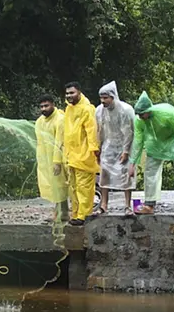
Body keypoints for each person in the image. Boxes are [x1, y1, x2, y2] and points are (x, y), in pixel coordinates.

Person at [129, 91, 174, 215]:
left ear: (149, 110)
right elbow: (138, 141)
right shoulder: (139, 121)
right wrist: (132, 163)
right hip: (155, 145)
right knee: (150, 171)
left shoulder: (167, 113)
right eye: (138, 114)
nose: (140, 117)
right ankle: (149, 204)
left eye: (142, 114)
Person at [53, 81, 99, 226]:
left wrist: (94, 151)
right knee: (73, 188)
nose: (69, 96)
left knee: (84, 187)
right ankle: (76, 214)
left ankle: (84, 215)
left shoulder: (87, 109)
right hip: (71, 156)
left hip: (85, 155)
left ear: (79, 92)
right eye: (67, 93)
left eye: (72, 93)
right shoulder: (69, 109)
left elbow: (92, 131)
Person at [95, 81, 136, 216]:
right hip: (108, 145)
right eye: (101, 98)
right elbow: (99, 129)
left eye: (106, 97)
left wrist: (126, 151)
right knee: (104, 175)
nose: (103, 101)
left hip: (124, 144)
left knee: (126, 176)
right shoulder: (99, 110)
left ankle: (127, 206)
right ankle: (104, 205)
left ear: (113, 96)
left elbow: (128, 132)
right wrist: (98, 146)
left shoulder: (125, 109)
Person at [35, 94, 69, 222]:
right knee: (53, 186)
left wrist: (57, 162)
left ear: (53, 104)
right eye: (41, 106)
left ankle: (61, 213)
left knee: (60, 186)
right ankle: (62, 212)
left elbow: (59, 142)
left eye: (46, 106)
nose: (44, 109)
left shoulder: (60, 119)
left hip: (57, 159)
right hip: (45, 159)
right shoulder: (40, 121)